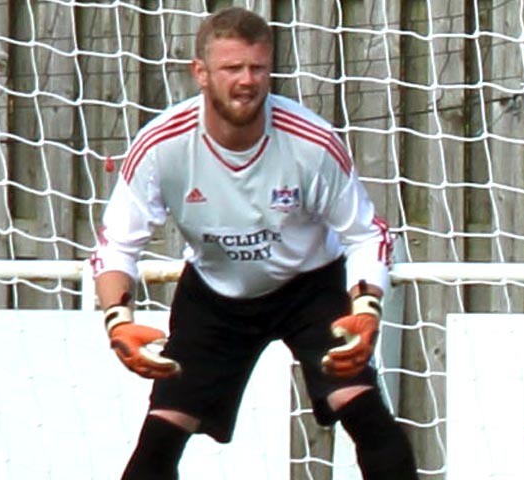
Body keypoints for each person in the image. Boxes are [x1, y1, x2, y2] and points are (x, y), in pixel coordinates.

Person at [91, 6, 418, 480]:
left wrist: (366, 310)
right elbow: (116, 245)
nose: (247, 81)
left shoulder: (312, 143)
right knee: (160, 438)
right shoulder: (161, 144)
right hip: (215, 294)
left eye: (257, 68)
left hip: (310, 286)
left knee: (361, 409)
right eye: (232, 68)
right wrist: (118, 322)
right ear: (200, 73)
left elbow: (366, 233)